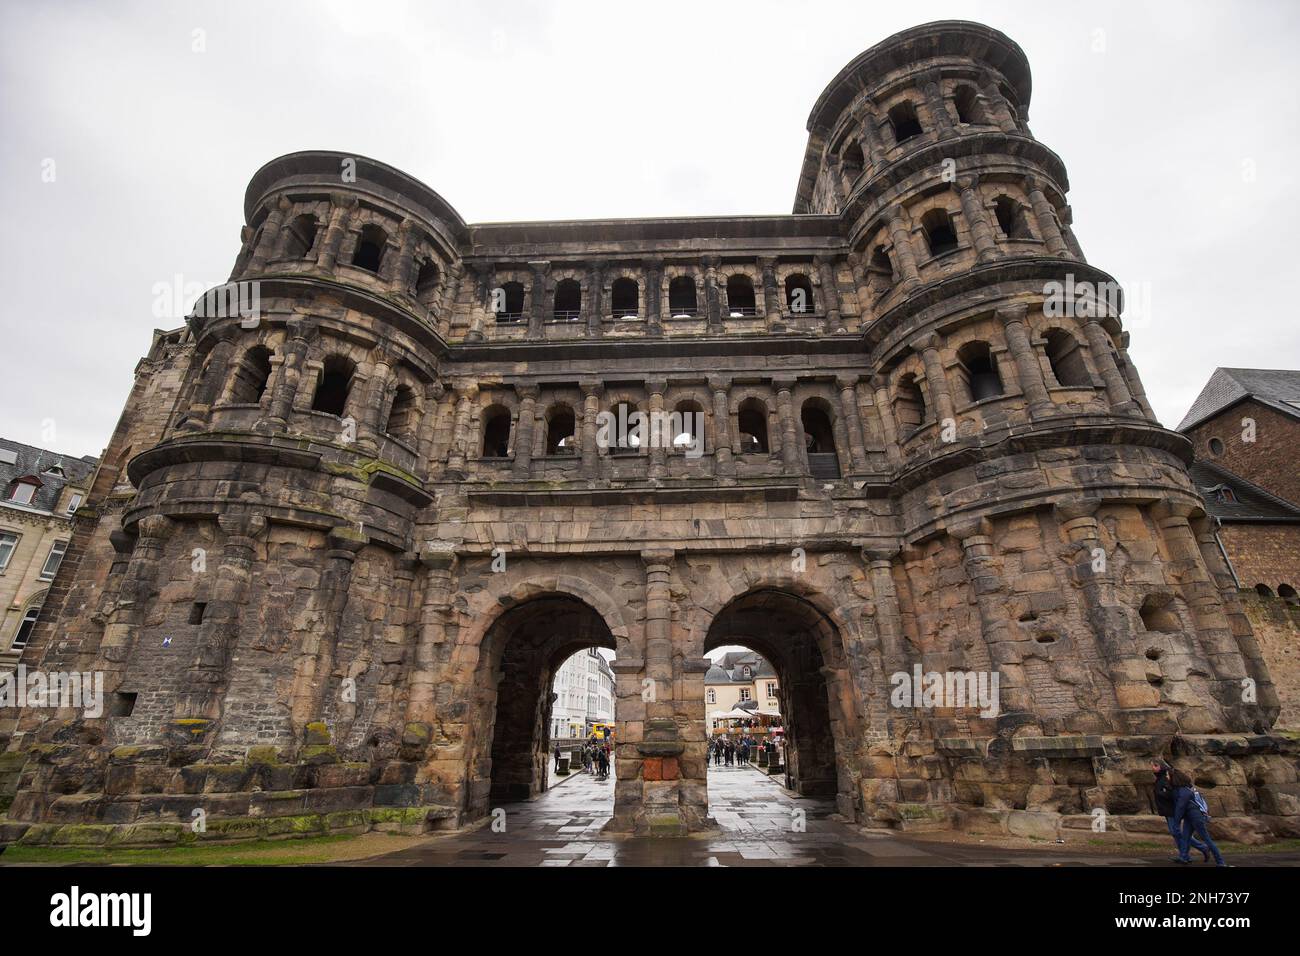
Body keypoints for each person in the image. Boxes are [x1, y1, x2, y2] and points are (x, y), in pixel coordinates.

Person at [1152, 760, 1208, 862]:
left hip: (1171, 809)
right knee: (1176, 833)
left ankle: (1199, 848)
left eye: (1154, 766)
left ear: (1160, 766)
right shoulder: (1160, 778)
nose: (1152, 768)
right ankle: (1185, 855)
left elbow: (1172, 794)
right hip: (1167, 809)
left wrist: (1160, 793)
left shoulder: (1166, 777)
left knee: (1176, 832)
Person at [1170, 769, 1225, 866]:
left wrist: (1176, 823)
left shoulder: (1184, 792)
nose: (1167, 777)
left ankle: (1220, 862)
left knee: (1206, 839)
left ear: (1174, 778)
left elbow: (1180, 807)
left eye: (1168, 776)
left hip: (1196, 818)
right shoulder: (1185, 789)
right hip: (1190, 817)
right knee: (1185, 837)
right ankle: (1184, 858)